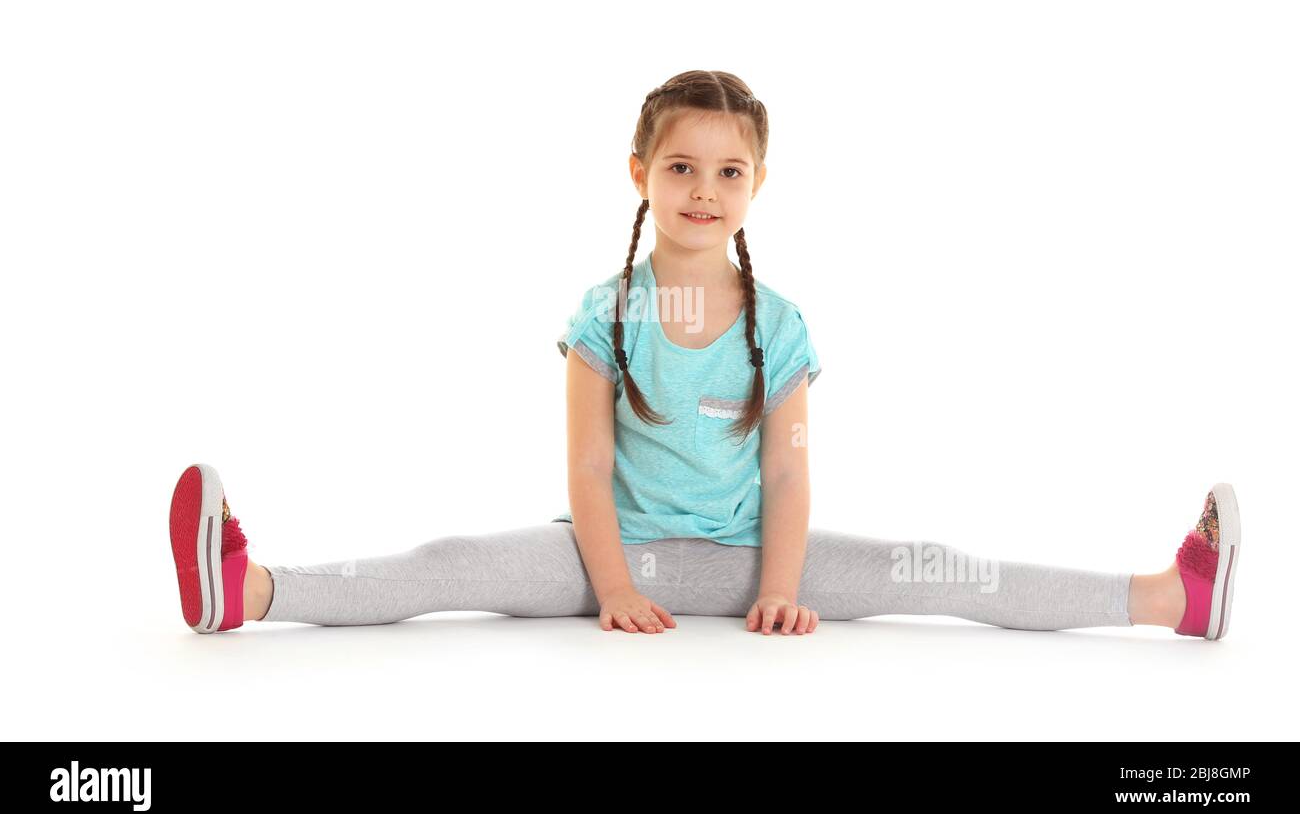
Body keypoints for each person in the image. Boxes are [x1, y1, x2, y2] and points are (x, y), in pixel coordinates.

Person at [168, 69, 1241, 640]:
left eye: (729, 172)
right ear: (639, 170)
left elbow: (787, 468)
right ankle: (250, 587)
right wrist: (613, 582)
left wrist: (779, 587)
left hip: (752, 557)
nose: (702, 189)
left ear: (757, 185)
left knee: (943, 567)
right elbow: (586, 468)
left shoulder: (780, 324)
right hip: (608, 555)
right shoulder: (606, 313)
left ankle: (1169, 598)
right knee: (450, 560)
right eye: (680, 165)